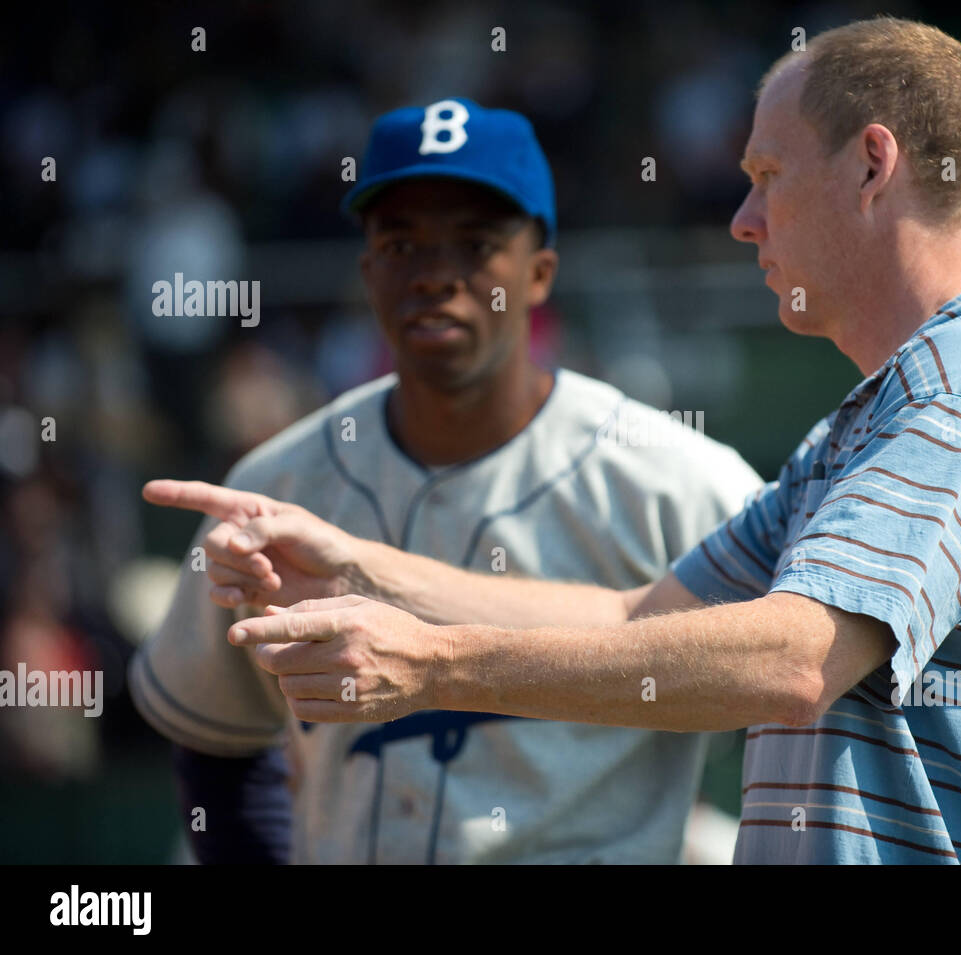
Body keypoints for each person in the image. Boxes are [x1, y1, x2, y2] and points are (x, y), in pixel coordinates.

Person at [150, 16, 961, 863]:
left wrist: (429, 665)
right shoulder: (866, 422)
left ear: (872, 165)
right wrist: (361, 565)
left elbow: (791, 664)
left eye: (768, 177)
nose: (742, 221)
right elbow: (632, 621)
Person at [129, 99, 764, 864]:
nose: (435, 275)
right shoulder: (275, 485)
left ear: (538, 273)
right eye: (401, 243)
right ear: (368, 272)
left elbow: (796, 702)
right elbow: (218, 748)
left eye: (474, 243)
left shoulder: (680, 482)